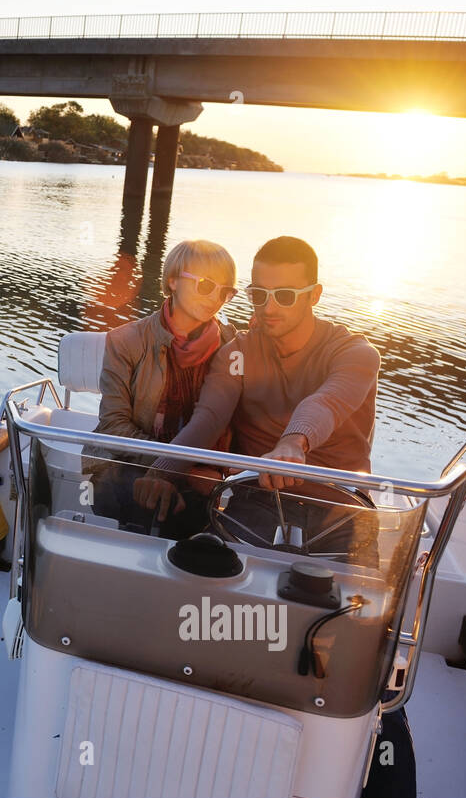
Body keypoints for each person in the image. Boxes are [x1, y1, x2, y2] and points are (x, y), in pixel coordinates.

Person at [139, 235, 382, 559]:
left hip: (342, 507)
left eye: (284, 296)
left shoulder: (353, 352)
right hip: (258, 499)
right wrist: (159, 472)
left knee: (357, 602)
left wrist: (293, 443)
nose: (268, 308)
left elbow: (326, 402)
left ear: (314, 295)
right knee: (206, 578)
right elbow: (208, 420)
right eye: (258, 295)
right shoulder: (237, 354)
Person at [84, 239, 239, 536]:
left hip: (202, 472)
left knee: (201, 519)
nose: (216, 298)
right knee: (144, 499)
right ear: (173, 281)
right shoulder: (125, 340)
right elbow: (113, 425)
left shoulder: (235, 346)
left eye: (226, 291)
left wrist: (203, 470)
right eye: (207, 285)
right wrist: (177, 466)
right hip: (126, 460)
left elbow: (234, 422)